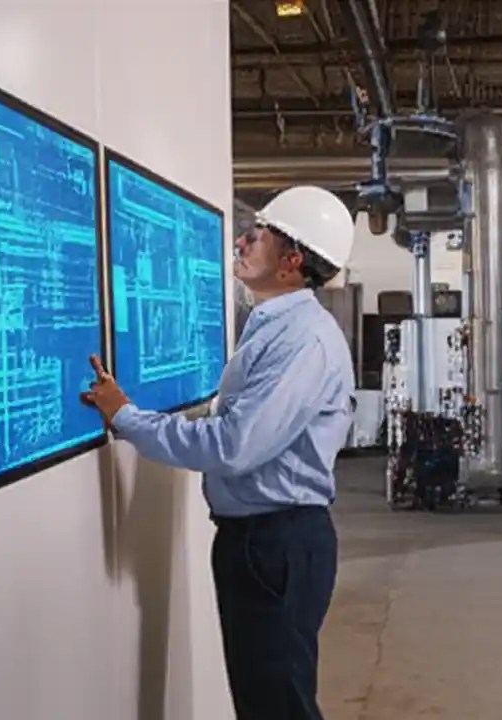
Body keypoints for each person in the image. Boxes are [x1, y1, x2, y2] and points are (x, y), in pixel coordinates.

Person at [81, 185, 357, 720]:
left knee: (279, 706)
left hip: (275, 544)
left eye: (258, 236)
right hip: (262, 540)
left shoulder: (303, 340)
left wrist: (126, 417)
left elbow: (233, 444)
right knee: (266, 701)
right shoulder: (274, 327)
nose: (241, 241)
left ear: (291, 261)